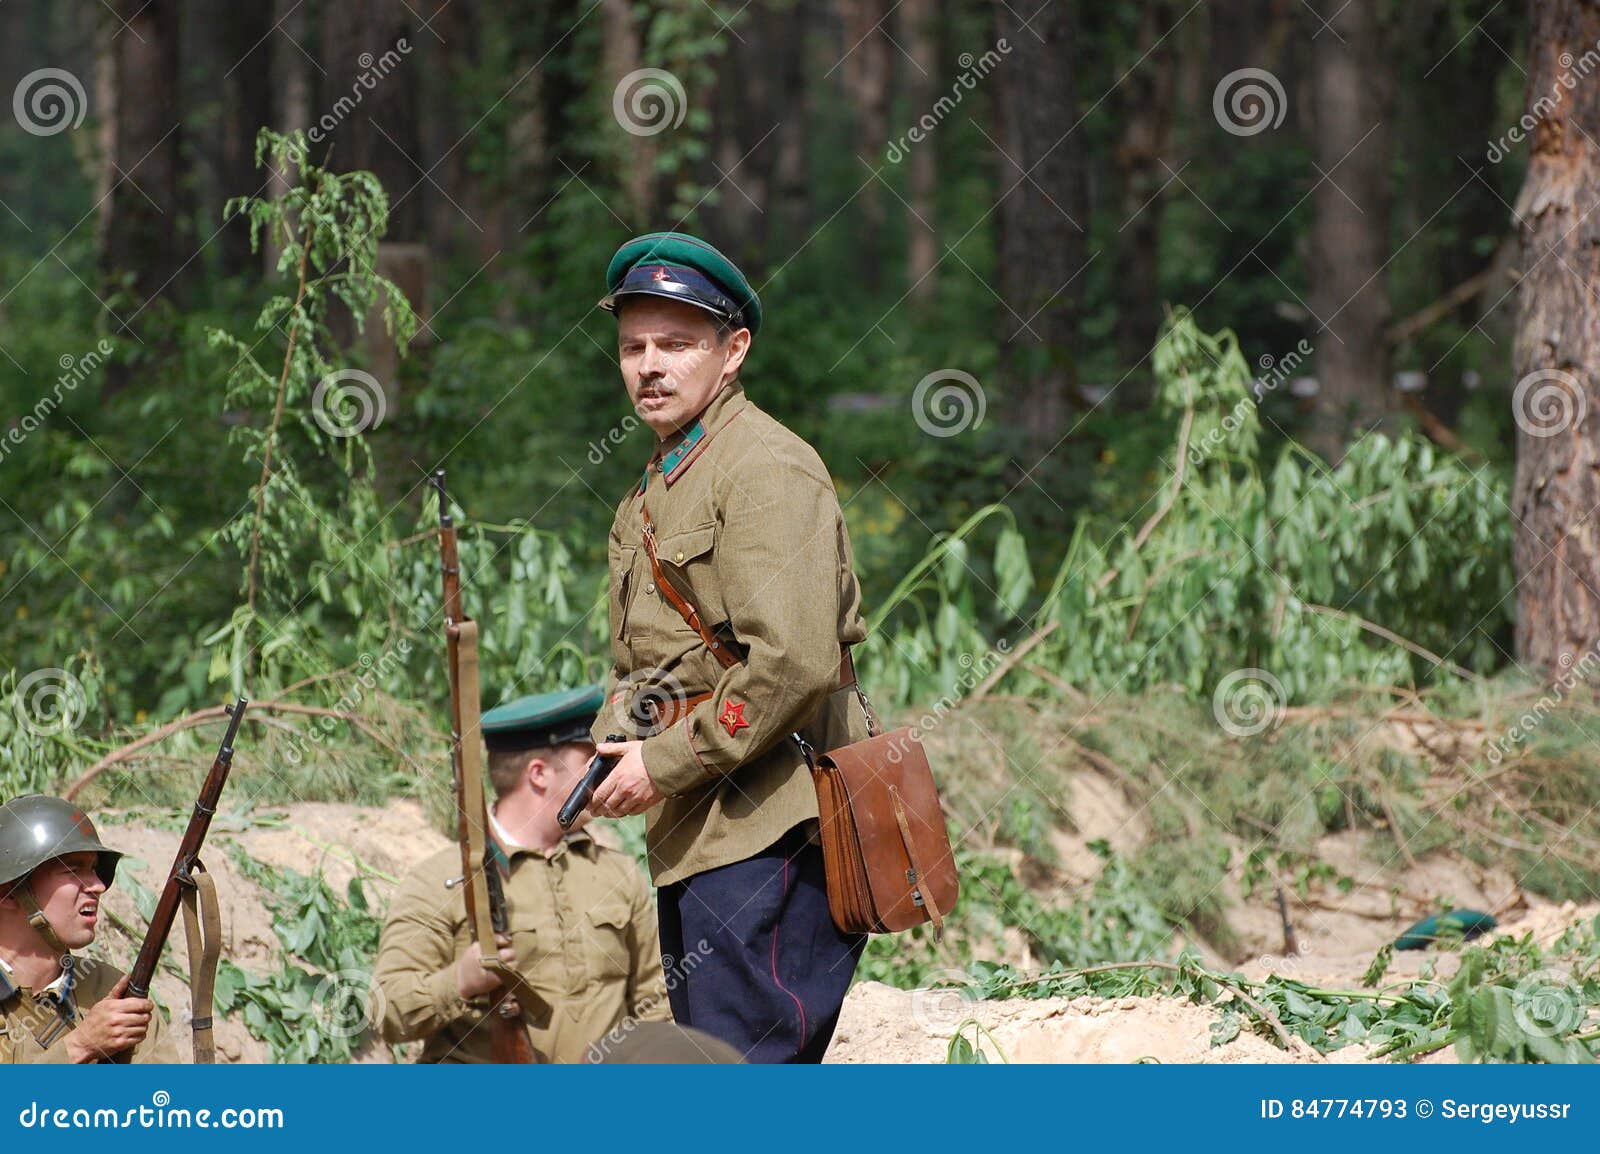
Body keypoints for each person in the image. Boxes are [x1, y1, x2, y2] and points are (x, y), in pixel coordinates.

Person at [587, 230, 873, 1063]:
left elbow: (793, 662)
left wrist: (664, 763)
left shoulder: (765, 470)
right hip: (702, 826)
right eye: (633, 346)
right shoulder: (659, 482)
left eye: (677, 345)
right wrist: (616, 745)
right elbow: (645, 663)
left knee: (745, 1075)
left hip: (774, 825)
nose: (650, 365)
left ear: (733, 350)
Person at [374, 684, 669, 1063]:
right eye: (591, 762)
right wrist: (459, 982)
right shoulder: (440, 879)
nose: (606, 774)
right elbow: (386, 1011)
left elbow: (656, 1004)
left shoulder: (618, 873)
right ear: (539, 774)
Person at [0, 795, 176, 1064]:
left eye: (93, 869)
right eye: (73, 870)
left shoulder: (110, 991)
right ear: (9, 893)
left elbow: (167, 1101)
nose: (98, 885)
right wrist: (80, 1047)